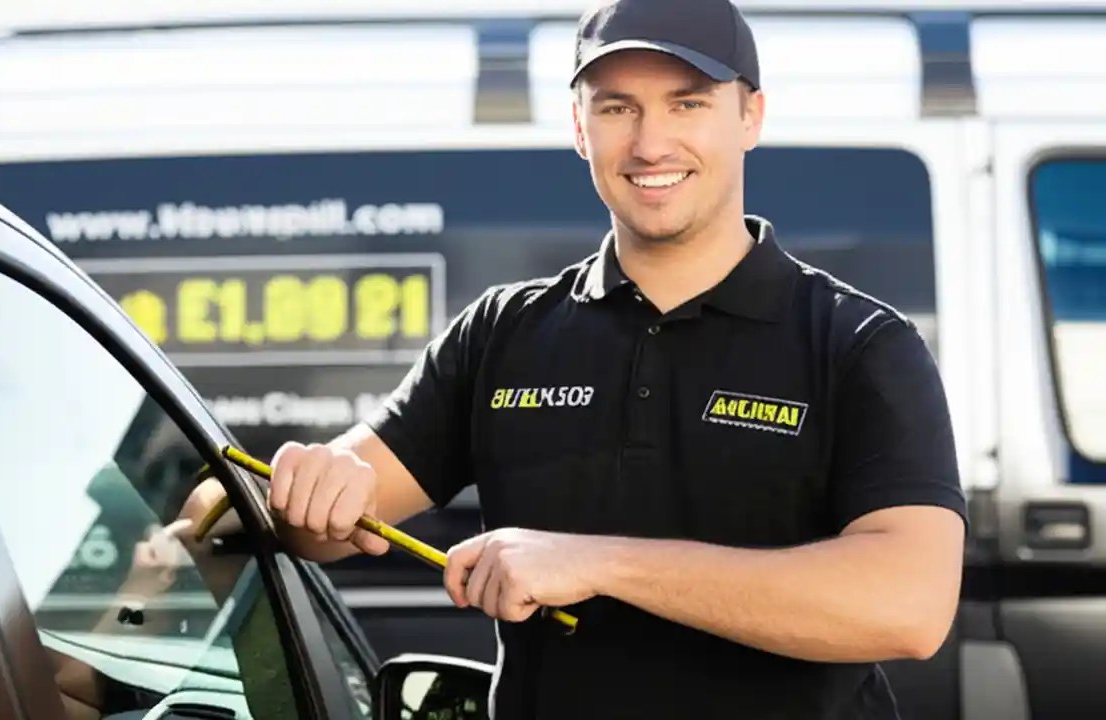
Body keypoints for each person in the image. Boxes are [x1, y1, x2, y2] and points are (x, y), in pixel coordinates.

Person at [185, 0, 969, 717]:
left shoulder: (859, 345)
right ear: (580, 127)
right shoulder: (503, 333)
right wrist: (313, 493)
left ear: (750, 116)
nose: (650, 143)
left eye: (687, 102)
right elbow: (323, 522)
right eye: (617, 107)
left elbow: (907, 607)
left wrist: (600, 565)